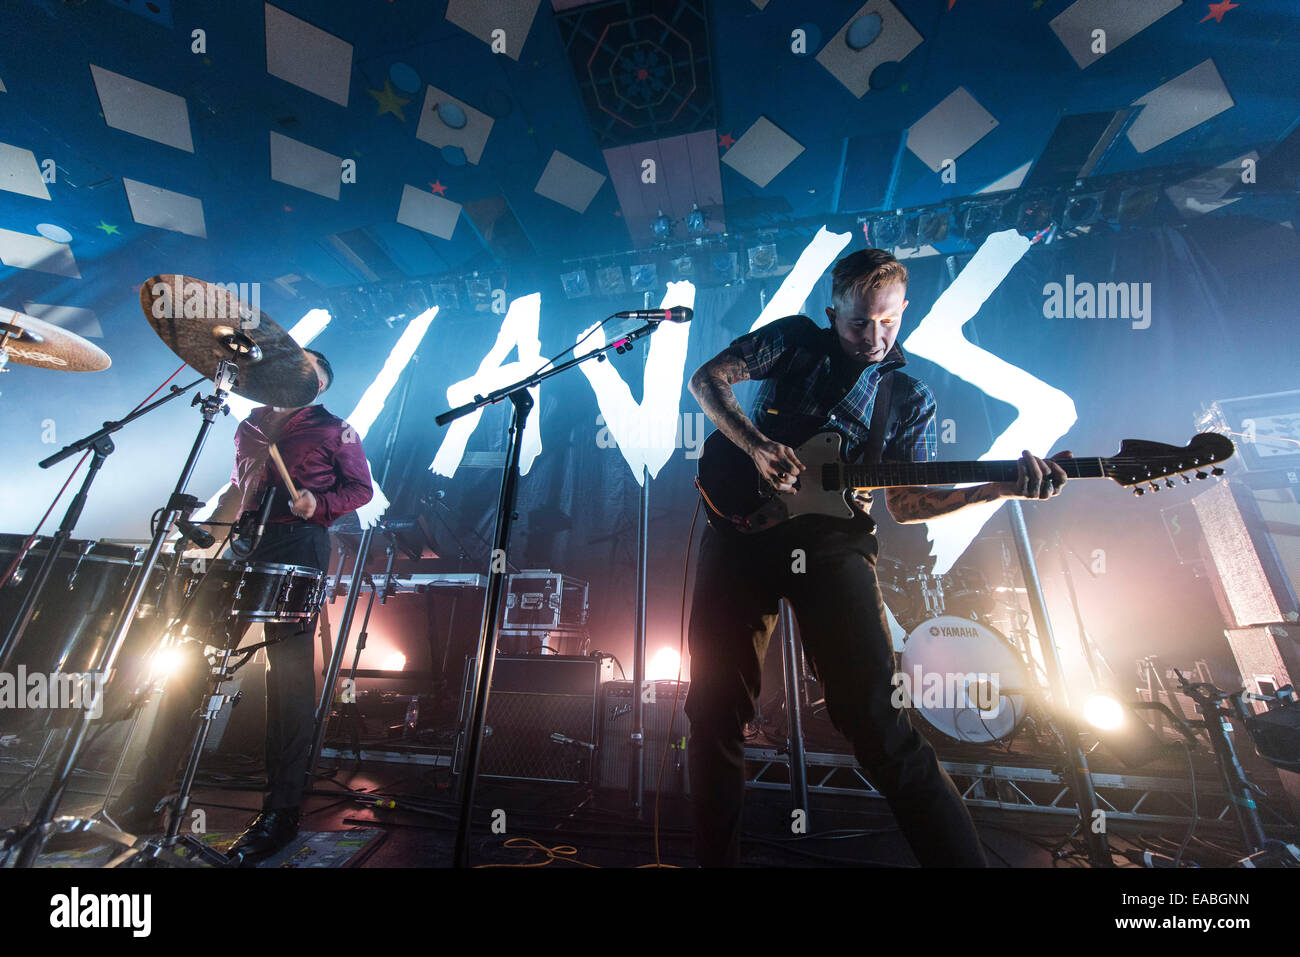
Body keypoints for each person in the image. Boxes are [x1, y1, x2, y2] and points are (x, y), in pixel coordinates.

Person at [685, 249, 1072, 867]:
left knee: (880, 726)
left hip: (833, 544)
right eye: (858, 323)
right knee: (713, 714)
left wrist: (998, 487)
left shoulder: (908, 396)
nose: (873, 336)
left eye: (887, 322)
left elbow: (910, 503)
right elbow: (707, 380)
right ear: (832, 310)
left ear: (903, 311)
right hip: (741, 533)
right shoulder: (792, 341)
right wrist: (757, 447)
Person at [112, 348, 374, 864]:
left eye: (308, 374)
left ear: (319, 387)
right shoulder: (249, 426)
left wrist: (318, 504)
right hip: (241, 546)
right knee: (189, 668)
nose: (295, 378)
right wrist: (206, 535)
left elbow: (360, 489)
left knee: (290, 678)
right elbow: (240, 488)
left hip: (298, 546)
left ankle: (280, 814)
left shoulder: (335, 429)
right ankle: (145, 797)